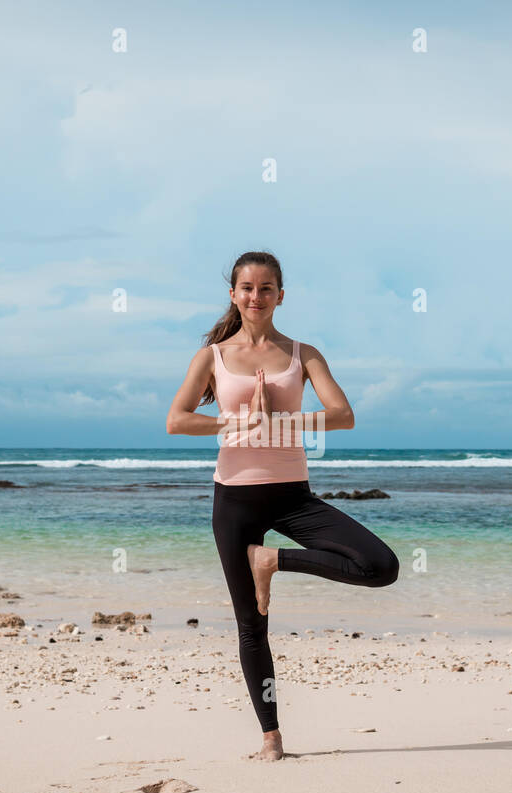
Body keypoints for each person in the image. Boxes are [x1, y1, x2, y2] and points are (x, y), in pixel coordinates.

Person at [165, 251, 400, 760]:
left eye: (266, 288)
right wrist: (238, 423)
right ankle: (271, 738)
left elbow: (343, 415)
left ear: (280, 295)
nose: (257, 296)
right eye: (247, 288)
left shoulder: (302, 354)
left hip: (293, 496)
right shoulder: (211, 357)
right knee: (252, 625)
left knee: (381, 567)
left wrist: (282, 422)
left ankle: (272, 560)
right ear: (233, 295)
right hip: (234, 499)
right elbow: (177, 420)